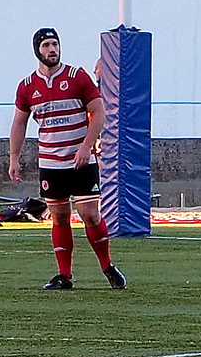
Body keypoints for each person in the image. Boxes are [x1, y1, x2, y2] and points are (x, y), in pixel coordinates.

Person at [9, 28, 125, 291]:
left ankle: (108, 267)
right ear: (37, 50)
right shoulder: (27, 86)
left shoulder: (77, 77)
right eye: (47, 45)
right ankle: (64, 276)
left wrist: (86, 147)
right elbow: (19, 122)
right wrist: (14, 157)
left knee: (89, 214)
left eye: (55, 44)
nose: (52, 50)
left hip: (81, 160)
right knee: (59, 215)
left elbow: (99, 111)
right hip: (51, 162)